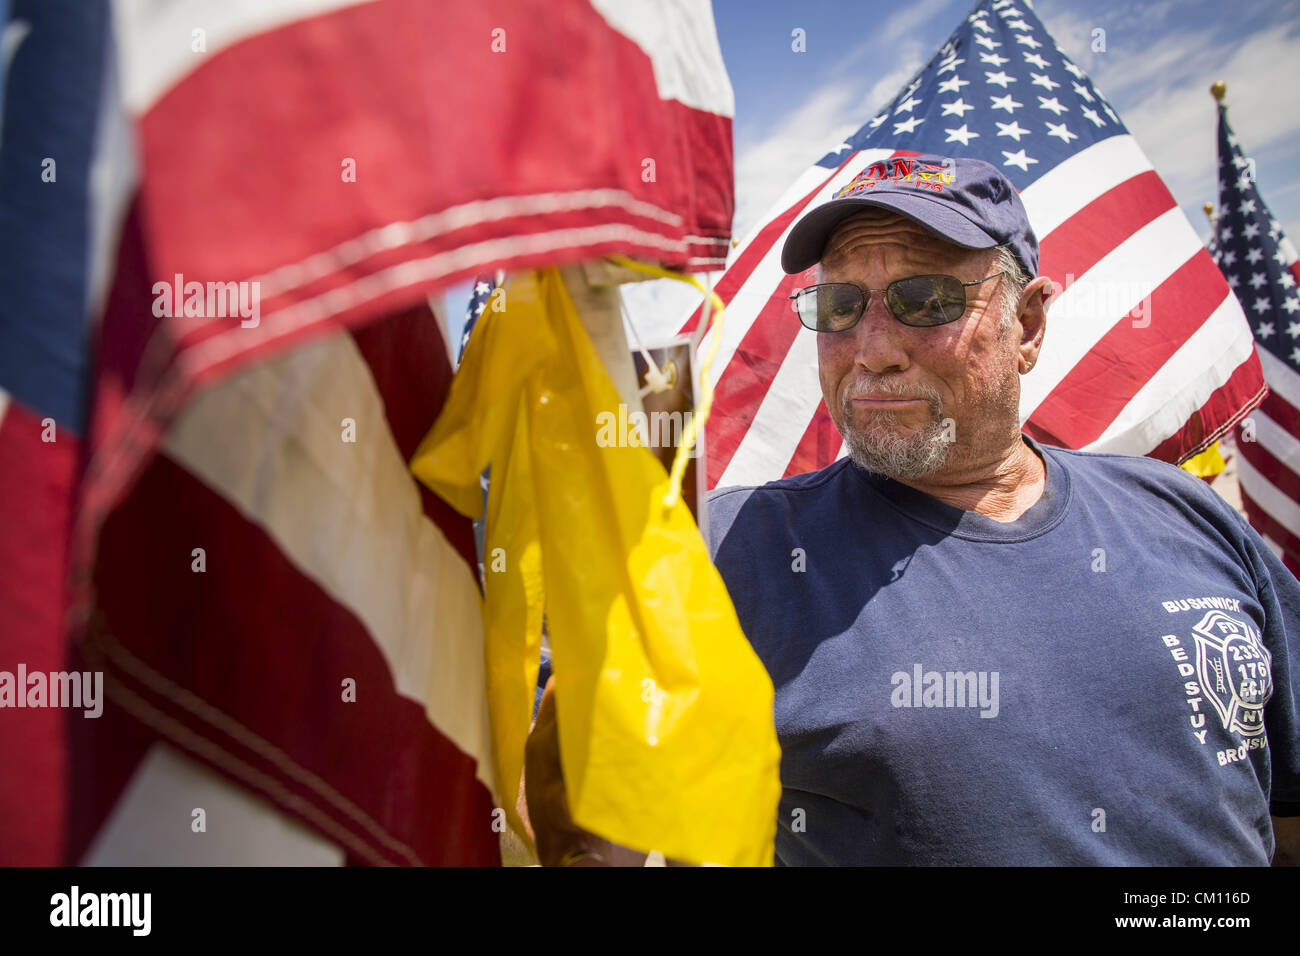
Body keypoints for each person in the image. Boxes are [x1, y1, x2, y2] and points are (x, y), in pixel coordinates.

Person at [527, 153, 1300, 865]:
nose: (872, 349)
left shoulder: (1188, 517)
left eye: (922, 300)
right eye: (838, 305)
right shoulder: (723, 552)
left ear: (1026, 324)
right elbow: (561, 814)